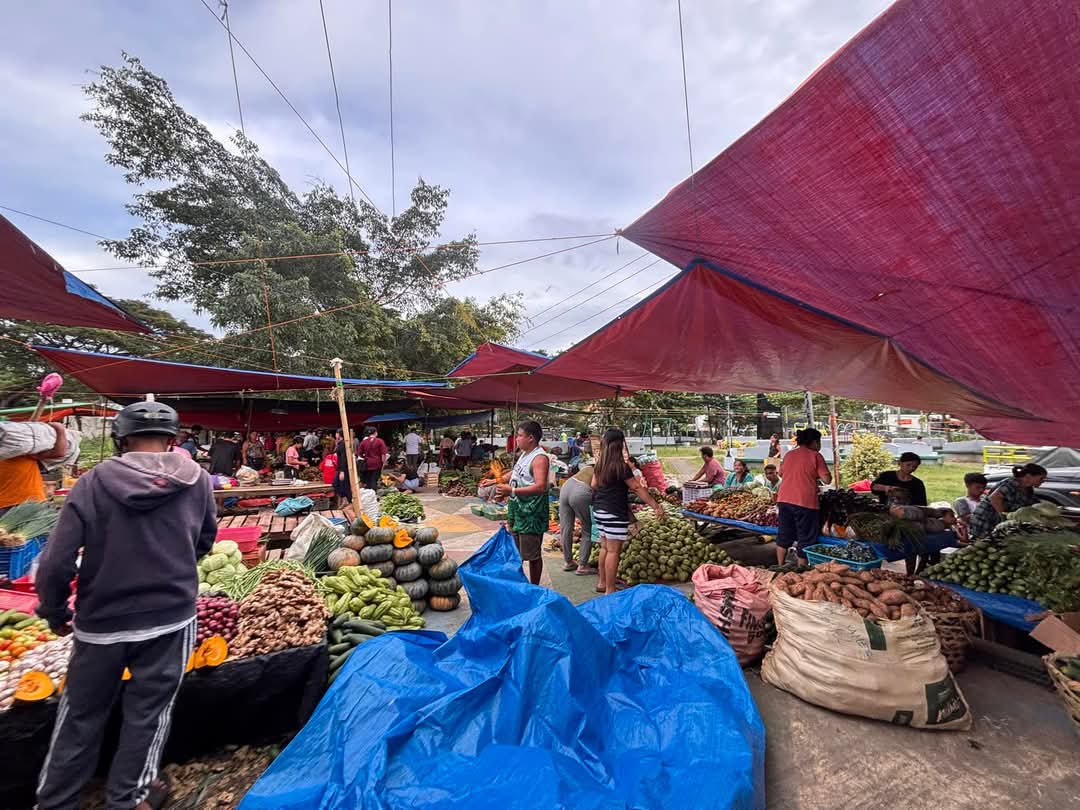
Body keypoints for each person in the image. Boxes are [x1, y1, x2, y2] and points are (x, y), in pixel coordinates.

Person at [34, 401, 216, 810]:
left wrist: (54, 610)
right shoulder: (198, 481)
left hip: (101, 621)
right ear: (172, 439)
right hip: (170, 617)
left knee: (80, 715)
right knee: (149, 714)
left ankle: (55, 801)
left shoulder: (92, 483)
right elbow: (204, 541)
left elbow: (56, 562)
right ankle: (129, 798)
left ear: (121, 439)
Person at [591, 428, 666, 595]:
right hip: (614, 512)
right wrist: (656, 506)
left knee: (605, 547)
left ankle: (602, 583)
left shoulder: (600, 464)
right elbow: (637, 487)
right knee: (613, 551)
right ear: (620, 444)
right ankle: (610, 590)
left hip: (599, 510)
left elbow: (593, 485)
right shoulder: (621, 467)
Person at [497, 421, 550, 585]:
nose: (517, 439)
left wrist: (511, 491)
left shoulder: (539, 458)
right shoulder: (525, 454)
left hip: (531, 515)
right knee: (516, 553)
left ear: (531, 438)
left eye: (520, 435)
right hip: (518, 512)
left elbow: (540, 487)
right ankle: (517, 584)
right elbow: (515, 472)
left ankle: (534, 587)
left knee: (532, 556)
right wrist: (495, 481)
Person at [775, 428, 831, 566]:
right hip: (805, 502)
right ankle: (801, 571)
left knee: (784, 534)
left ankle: (780, 566)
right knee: (805, 537)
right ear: (814, 442)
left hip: (784, 499)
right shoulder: (816, 456)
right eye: (819, 442)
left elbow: (781, 473)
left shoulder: (789, 454)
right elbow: (827, 480)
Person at [0, 422, 76, 516]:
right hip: (10, 505)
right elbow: (59, 453)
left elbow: (59, 452)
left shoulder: (19, 451)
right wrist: (59, 429)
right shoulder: (19, 451)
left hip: (30, 503)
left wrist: (59, 430)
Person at [968, 463, 1047, 540]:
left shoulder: (1028, 490)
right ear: (1028, 476)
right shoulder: (1011, 483)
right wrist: (1004, 517)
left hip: (996, 523)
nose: (1043, 481)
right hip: (986, 520)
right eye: (1041, 478)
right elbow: (995, 497)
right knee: (983, 544)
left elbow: (1034, 505)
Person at [559, 463, 595, 574]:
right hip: (581, 491)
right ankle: (582, 565)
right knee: (587, 528)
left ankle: (568, 562)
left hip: (566, 487)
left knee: (566, 528)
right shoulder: (602, 471)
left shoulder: (587, 468)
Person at [952, 472, 988, 543]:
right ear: (967, 485)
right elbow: (967, 518)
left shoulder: (985, 499)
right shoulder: (961, 501)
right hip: (971, 535)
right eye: (978, 487)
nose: (981, 490)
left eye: (983, 488)